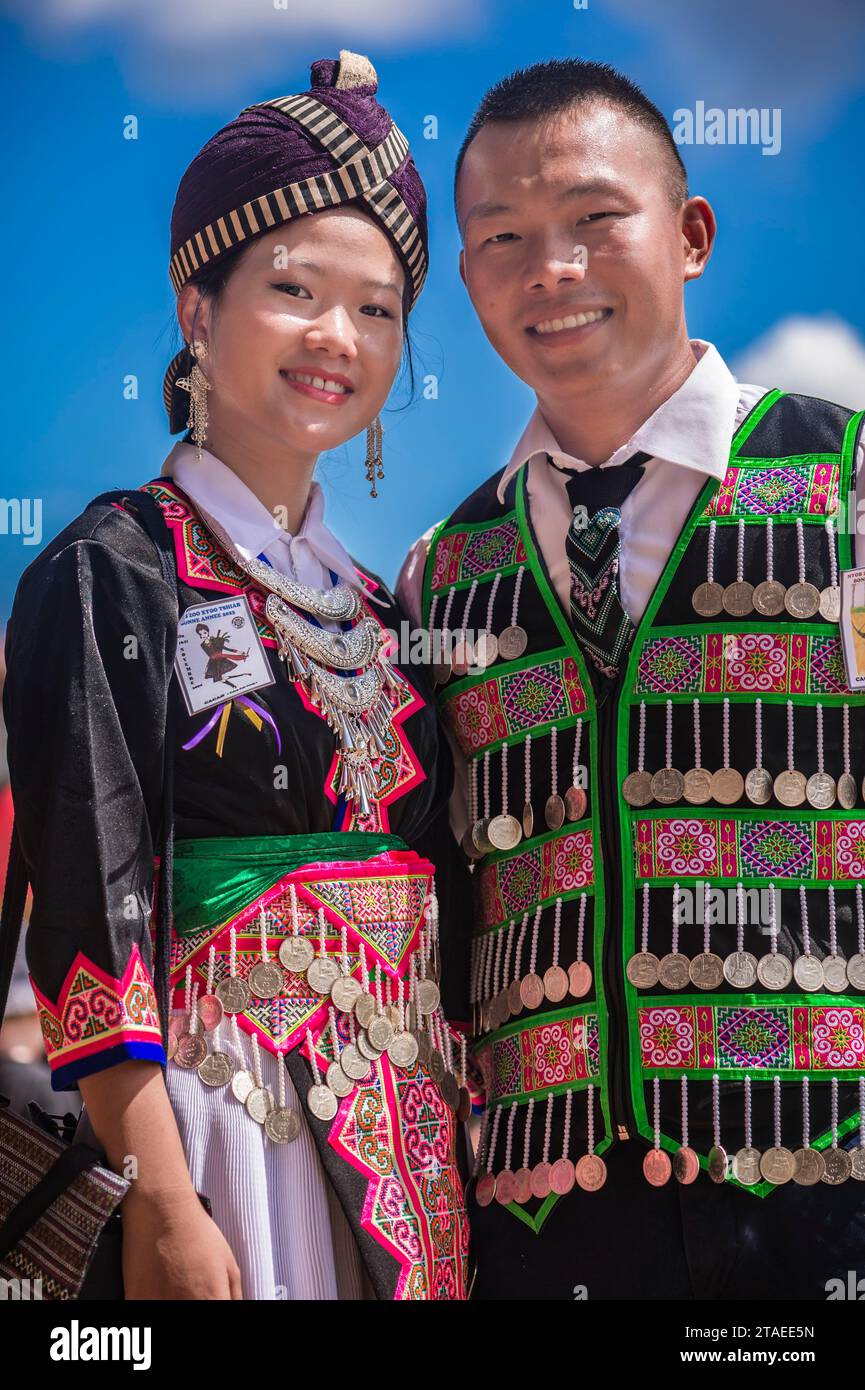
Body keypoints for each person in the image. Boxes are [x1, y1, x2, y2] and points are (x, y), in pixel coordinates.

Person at [4, 50, 472, 1302]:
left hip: (417, 1170)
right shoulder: (113, 571)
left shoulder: (385, 605)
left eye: (377, 310)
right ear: (197, 308)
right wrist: (163, 1202)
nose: (340, 338)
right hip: (229, 1158)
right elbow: (89, 908)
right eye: (294, 290)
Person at [399, 58, 865, 1300]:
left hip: (825, 1195)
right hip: (551, 1235)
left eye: (595, 221)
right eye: (501, 238)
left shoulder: (846, 485)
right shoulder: (438, 573)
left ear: (690, 234)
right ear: (468, 281)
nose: (550, 269)